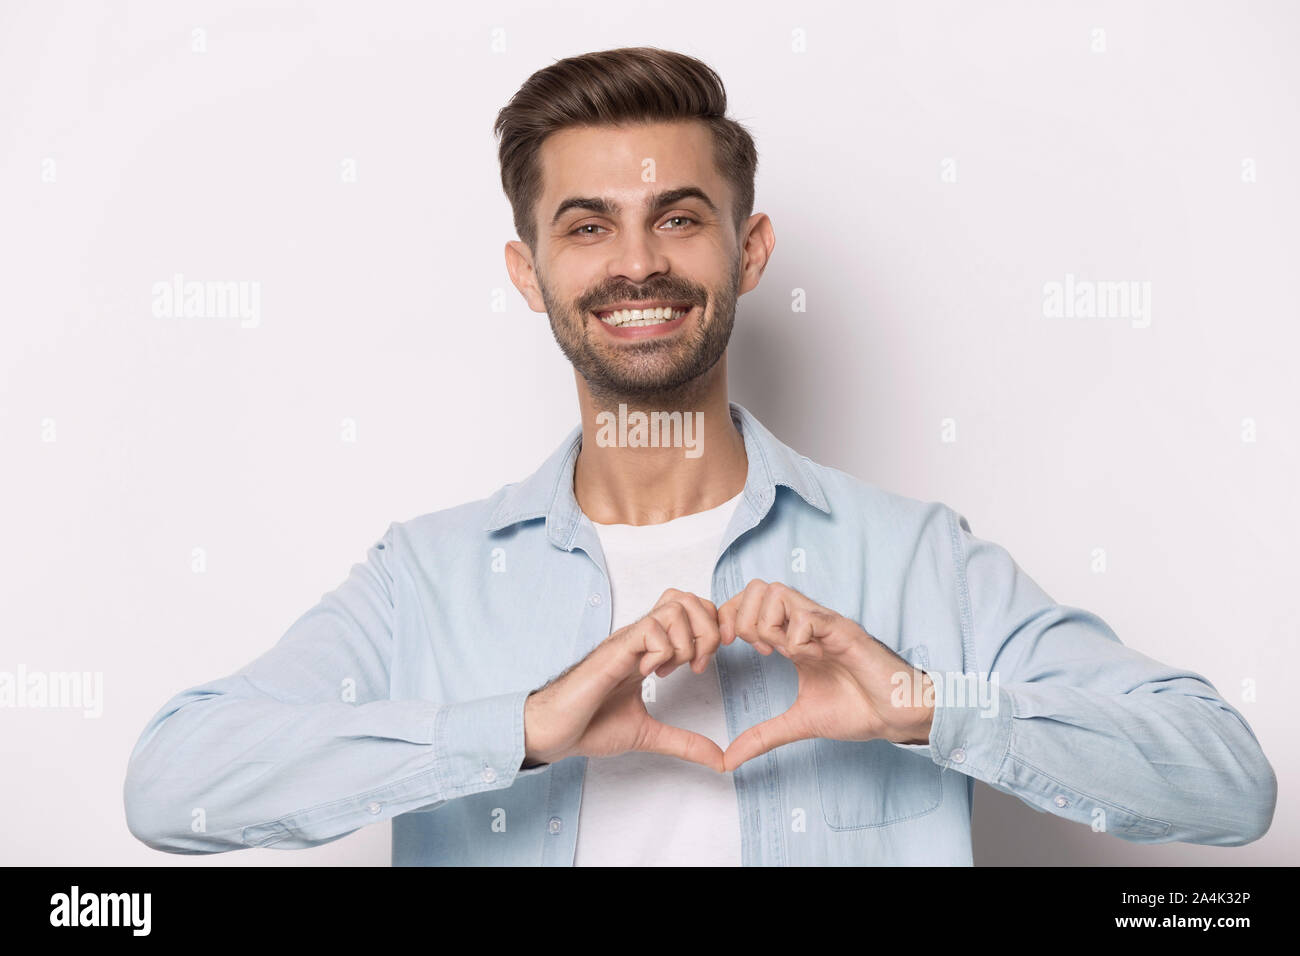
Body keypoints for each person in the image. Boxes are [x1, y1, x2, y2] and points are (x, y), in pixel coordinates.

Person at [123, 46, 1276, 866]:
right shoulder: (425, 578)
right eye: (586, 225)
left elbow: (1228, 781)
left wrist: (928, 703)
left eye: (678, 217)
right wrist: (516, 725)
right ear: (529, 273)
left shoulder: (916, 560)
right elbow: (172, 784)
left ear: (748, 249)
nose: (637, 264)